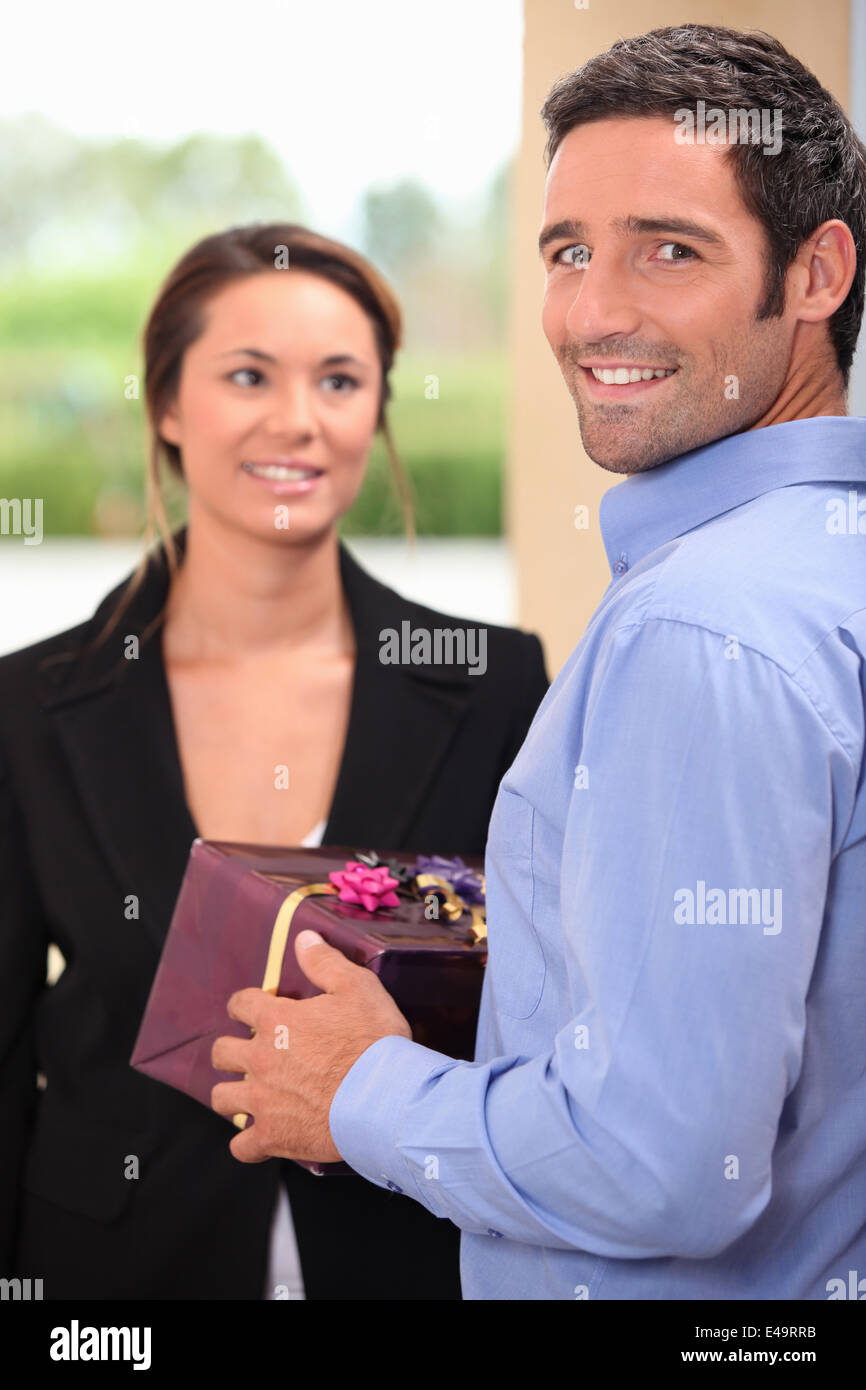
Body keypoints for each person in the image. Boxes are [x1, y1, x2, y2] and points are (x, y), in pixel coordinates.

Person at [212, 25, 866, 1300]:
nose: (593, 313)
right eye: (568, 252)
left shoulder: (701, 627)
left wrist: (359, 1089)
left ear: (815, 273)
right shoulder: (814, 573)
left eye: (668, 249)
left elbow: (663, 1170)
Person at [0, 223, 549, 1300]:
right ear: (167, 403)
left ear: (376, 411)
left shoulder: (493, 685)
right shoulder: (33, 704)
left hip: (409, 1262)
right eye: (248, 375)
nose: (297, 419)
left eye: (339, 381)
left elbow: (538, 1024)